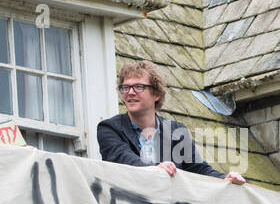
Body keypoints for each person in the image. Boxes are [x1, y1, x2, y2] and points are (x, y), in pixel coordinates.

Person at [97, 60, 246, 183]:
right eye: (125, 87)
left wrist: (225, 178)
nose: (130, 92)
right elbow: (124, 161)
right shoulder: (109, 128)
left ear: (156, 94)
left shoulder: (176, 131)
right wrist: (157, 169)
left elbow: (198, 168)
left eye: (138, 87)